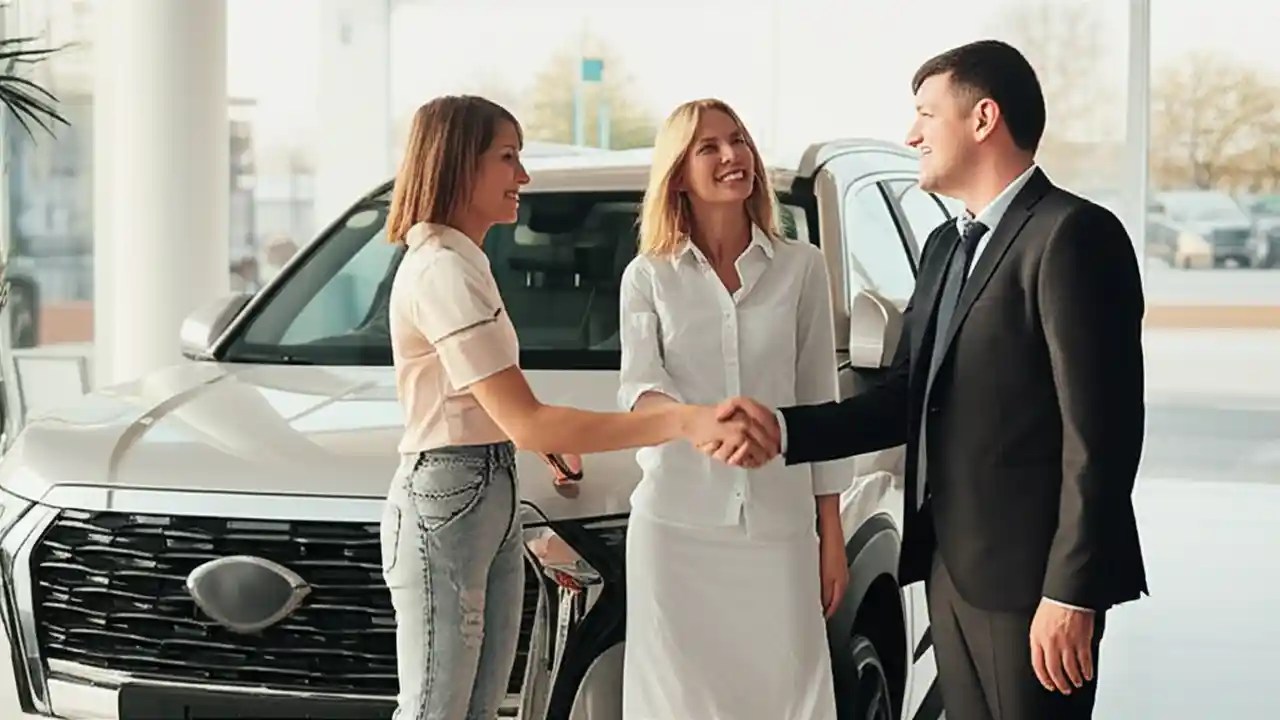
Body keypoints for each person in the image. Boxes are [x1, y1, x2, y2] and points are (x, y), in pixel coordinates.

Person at [718, 41, 1148, 719]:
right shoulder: (947, 246)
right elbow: (905, 399)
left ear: (983, 119)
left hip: (1031, 584)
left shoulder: (1072, 237)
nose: (911, 134)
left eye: (925, 114)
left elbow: (1101, 436)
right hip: (949, 568)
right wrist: (782, 428)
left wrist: (1072, 593)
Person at [380, 95, 778, 720]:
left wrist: (543, 439)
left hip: (483, 484)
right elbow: (524, 418)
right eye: (507, 158)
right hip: (451, 493)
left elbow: (492, 399)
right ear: (459, 165)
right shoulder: (441, 270)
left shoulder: (464, 261)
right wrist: (683, 419)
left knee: (477, 710)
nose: (523, 177)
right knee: (437, 712)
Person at [617, 98, 849, 720]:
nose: (732, 156)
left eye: (738, 140)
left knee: (789, 699)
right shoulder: (648, 276)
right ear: (678, 174)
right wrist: (698, 423)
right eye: (709, 147)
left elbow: (818, 401)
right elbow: (640, 388)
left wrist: (831, 534)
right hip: (675, 530)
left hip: (778, 529)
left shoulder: (802, 268)